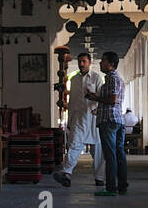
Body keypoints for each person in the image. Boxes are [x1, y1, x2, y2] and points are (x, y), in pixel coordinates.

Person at [53, 52, 104, 188]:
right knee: (74, 145)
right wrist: (69, 121)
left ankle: (99, 177)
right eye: (80, 61)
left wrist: (99, 109)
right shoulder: (74, 79)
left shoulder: (96, 78)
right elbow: (72, 101)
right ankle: (66, 173)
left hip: (93, 118)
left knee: (97, 149)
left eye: (84, 61)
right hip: (78, 118)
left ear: (89, 63)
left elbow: (101, 96)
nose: (81, 64)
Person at [86, 51, 128, 196]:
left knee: (110, 156)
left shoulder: (111, 79)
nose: (100, 63)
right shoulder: (118, 80)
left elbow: (112, 100)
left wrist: (97, 99)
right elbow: (112, 100)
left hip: (109, 121)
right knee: (119, 154)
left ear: (111, 64)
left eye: (103, 60)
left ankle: (110, 187)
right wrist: (95, 97)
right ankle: (122, 186)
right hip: (117, 120)